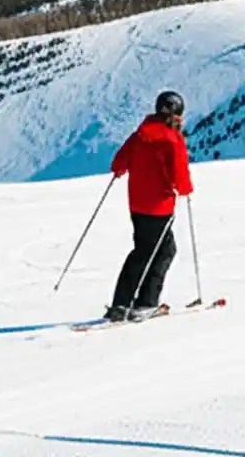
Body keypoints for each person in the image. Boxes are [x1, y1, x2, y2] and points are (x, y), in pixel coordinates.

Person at [104, 90, 194, 322]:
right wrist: (186, 189)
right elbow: (180, 175)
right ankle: (145, 303)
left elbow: (118, 163)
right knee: (163, 251)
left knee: (143, 251)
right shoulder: (173, 140)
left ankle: (122, 303)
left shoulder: (140, 134)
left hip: (136, 205)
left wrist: (123, 169)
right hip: (159, 207)